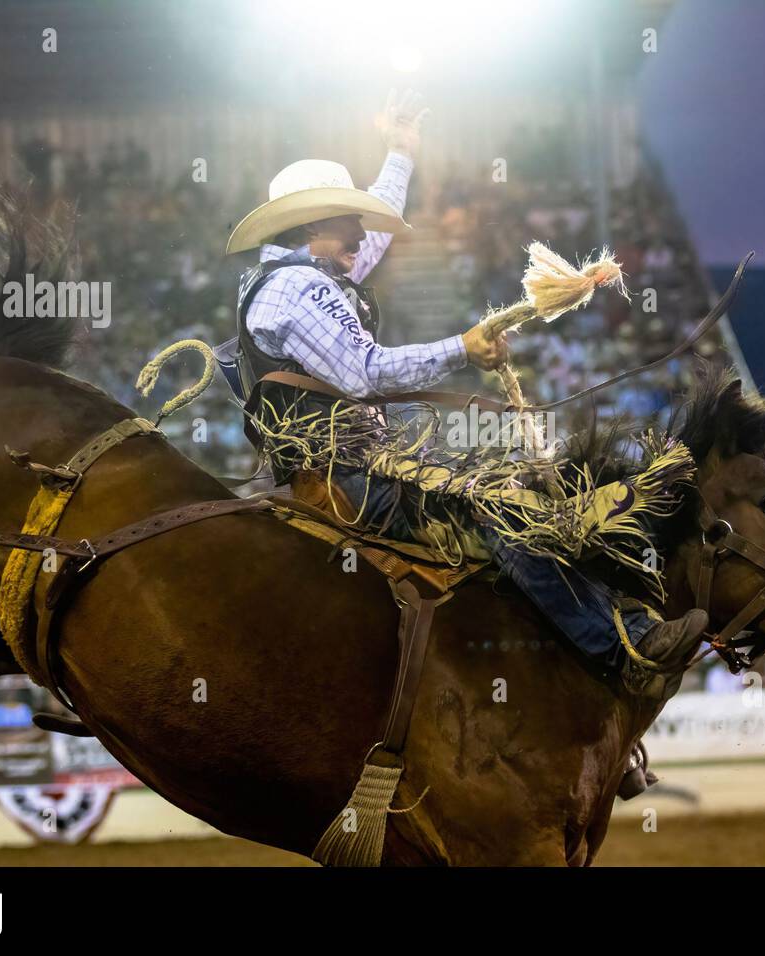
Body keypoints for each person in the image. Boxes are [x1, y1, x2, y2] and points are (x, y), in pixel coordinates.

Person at [220, 90, 706, 698]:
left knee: (503, 500)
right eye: (350, 219)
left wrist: (399, 153)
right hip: (350, 478)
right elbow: (365, 374)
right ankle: (619, 650)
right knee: (505, 508)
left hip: (343, 468)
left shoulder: (294, 276)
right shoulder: (302, 288)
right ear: (317, 223)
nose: (361, 231)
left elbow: (373, 243)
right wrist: (463, 348)